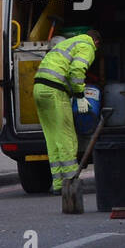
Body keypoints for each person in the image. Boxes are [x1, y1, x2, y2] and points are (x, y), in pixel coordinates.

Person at [33, 29, 101, 194]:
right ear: (97, 42)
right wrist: (79, 95)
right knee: (67, 138)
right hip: (55, 91)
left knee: (52, 138)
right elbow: (77, 70)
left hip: (38, 89)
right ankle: (71, 182)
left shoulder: (66, 43)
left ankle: (58, 184)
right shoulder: (87, 45)